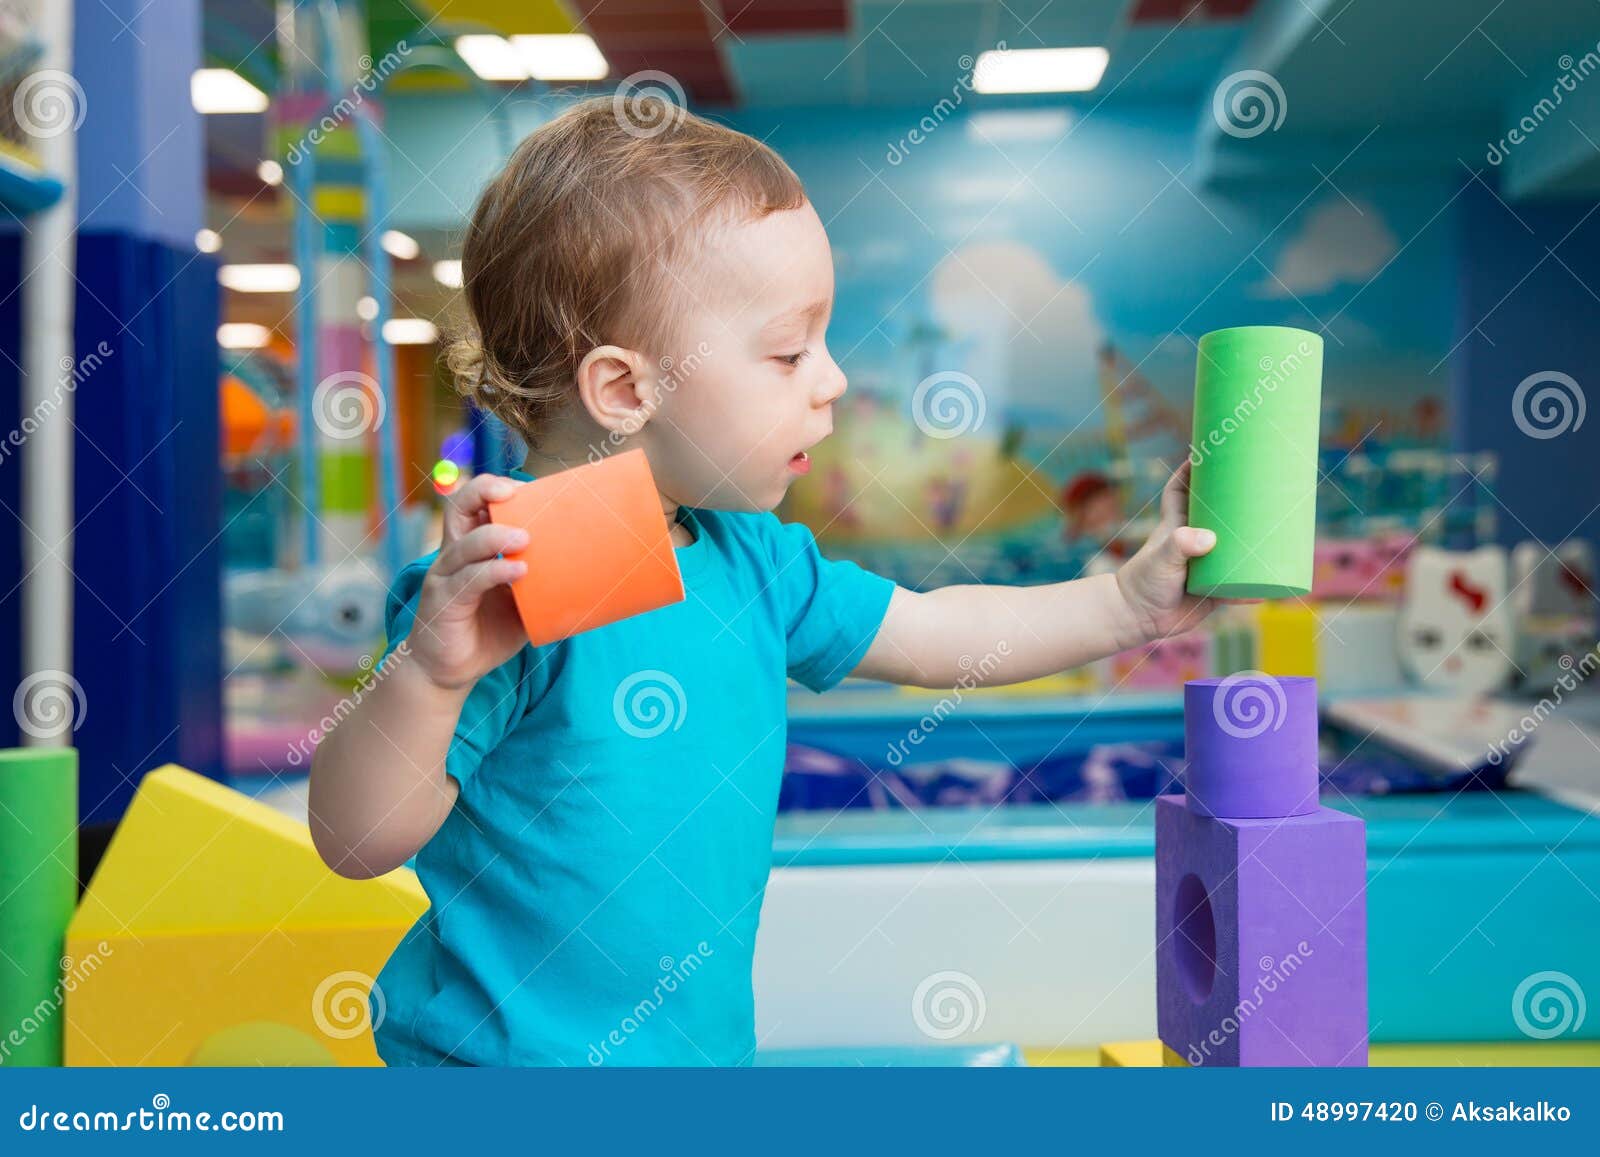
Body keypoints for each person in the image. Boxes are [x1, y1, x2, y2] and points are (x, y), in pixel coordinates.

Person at [309, 97, 1229, 1066]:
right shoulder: (504, 586)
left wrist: (1126, 604)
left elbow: (933, 632)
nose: (831, 380)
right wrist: (430, 676)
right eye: (790, 352)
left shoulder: (751, 555)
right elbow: (356, 838)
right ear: (625, 390)